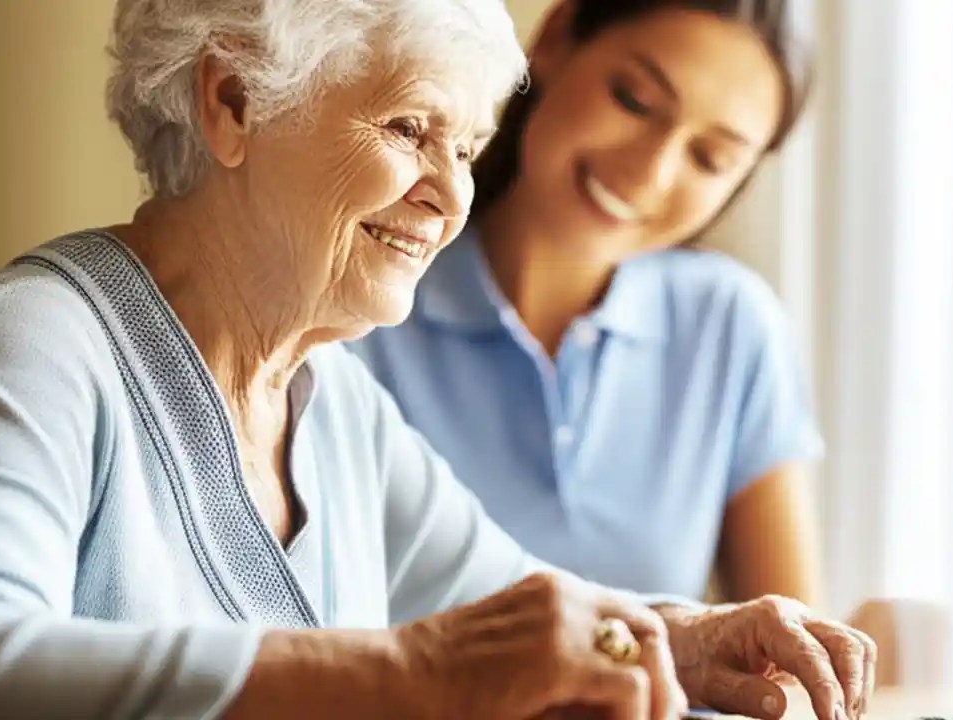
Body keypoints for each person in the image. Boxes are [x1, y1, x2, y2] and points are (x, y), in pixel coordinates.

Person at [0, 1, 874, 719]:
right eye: (412, 129)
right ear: (234, 103)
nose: (451, 196)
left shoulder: (332, 400)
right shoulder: (42, 341)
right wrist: (411, 670)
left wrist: (692, 637)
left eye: (467, 149)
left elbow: (521, 609)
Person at [351, 0, 824, 603]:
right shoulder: (367, 293)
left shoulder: (730, 326)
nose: (650, 173)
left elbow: (793, 656)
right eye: (634, 100)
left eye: (709, 159)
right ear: (554, 40)